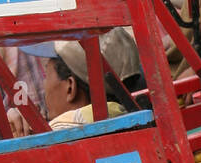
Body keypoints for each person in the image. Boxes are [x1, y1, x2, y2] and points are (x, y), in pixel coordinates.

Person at [7, 30, 142, 136]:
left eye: (46, 75)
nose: (44, 85)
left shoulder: (51, 138)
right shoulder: (136, 124)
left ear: (70, 88)